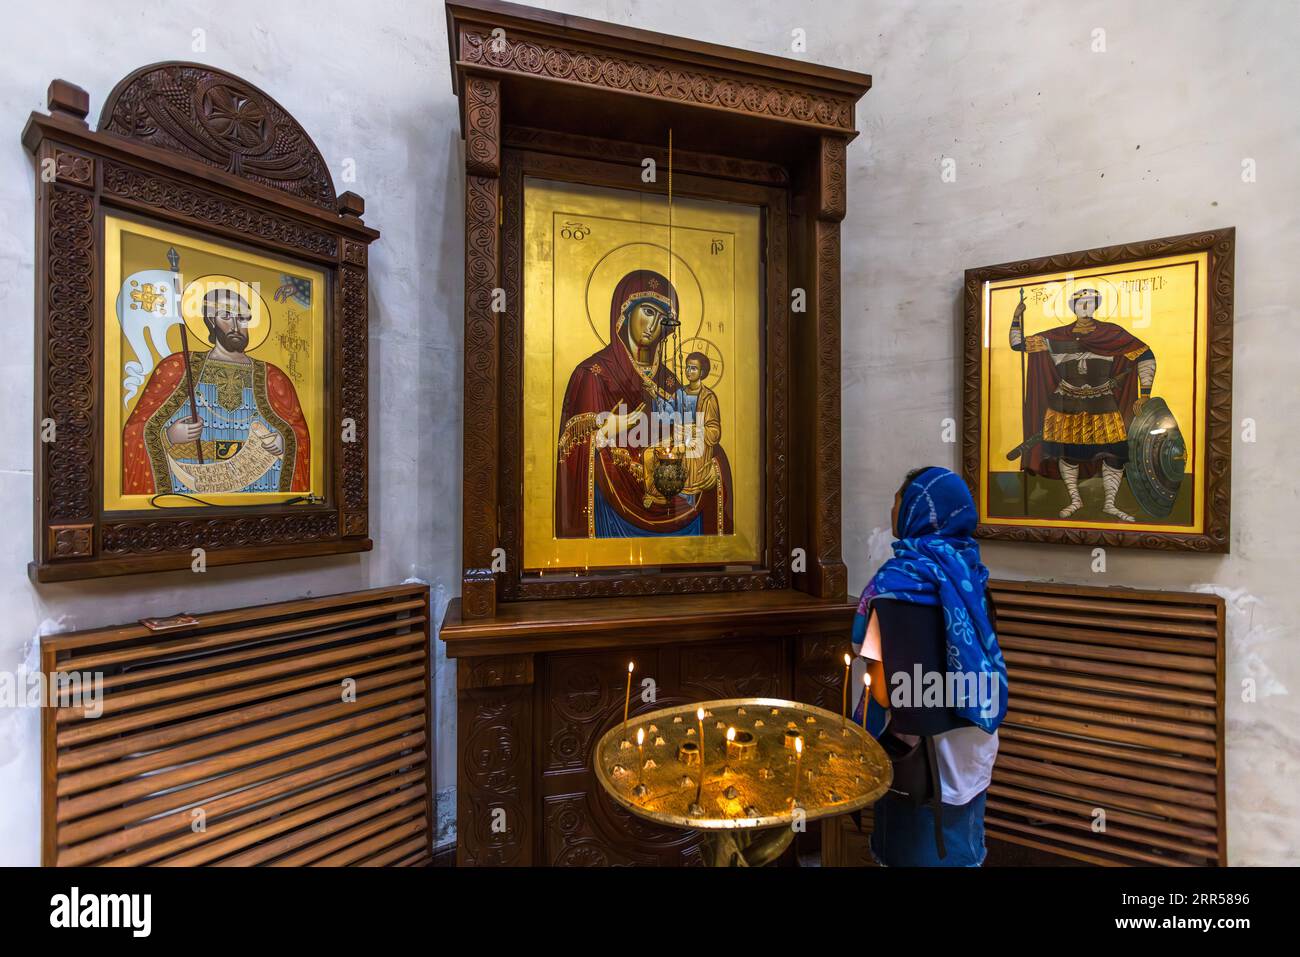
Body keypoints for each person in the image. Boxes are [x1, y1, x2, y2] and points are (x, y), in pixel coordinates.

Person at [852, 466, 1007, 866]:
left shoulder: (897, 585)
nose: (892, 509)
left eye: (898, 500)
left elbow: (885, 692)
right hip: (973, 747)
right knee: (963, 852)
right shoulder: (972, 573)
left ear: (918, 512)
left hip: (918, 763)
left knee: (911, 853)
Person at [555, 270, 733, 538]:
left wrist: (711, 467)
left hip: (676, 504)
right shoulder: (593, 375)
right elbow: (572, 454)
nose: (653, 325)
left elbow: (699, 437)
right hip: (612, 510)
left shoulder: (671, 382)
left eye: (663, 319)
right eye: (648, 312)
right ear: (624, 312)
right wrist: (603, 429)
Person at [123, 286, 310, 495]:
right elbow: (135, 431)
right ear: (211, 321)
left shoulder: (273, 377)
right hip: (186, 485)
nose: (236, 325)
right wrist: (169, 436)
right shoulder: (179, 367)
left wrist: (284, 441)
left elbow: (298, 432)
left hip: (260, 484)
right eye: (226, 316)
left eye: (243, 318)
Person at [1010, 287, 1156, 521]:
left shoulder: (1112, 334)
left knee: (1115, 453)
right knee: (1068, 454)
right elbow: (1017, 345)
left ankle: (1110, 503)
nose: (1085, 306)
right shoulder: (1055, 337)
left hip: (1103, 402)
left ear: (1096, 305)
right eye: (1080, 302)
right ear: (1073, 307)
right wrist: (1017, 316)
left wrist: (1145, 394)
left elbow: (1145, 355)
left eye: (1090, 302)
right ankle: (1075, 500)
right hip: (1065, 404)